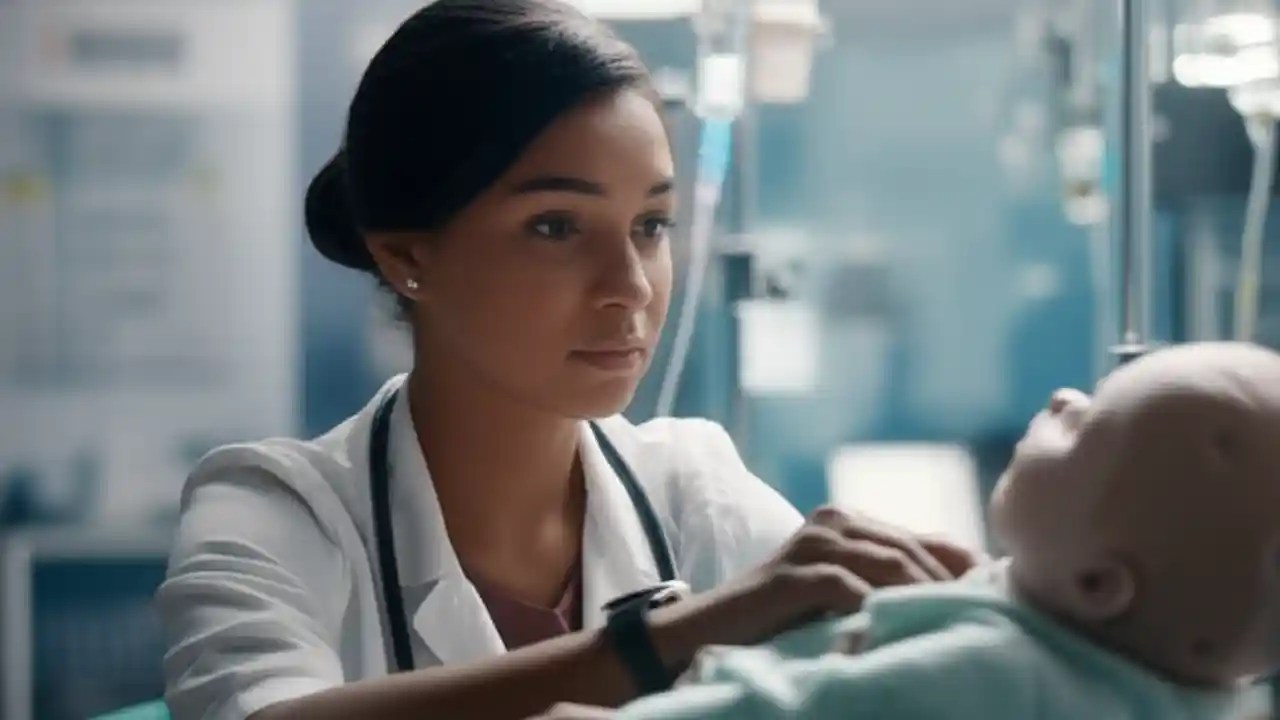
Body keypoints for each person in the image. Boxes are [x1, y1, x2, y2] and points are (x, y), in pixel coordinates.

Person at [154, 2, 978, 719]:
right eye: (555, 227)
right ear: (408, 256)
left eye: (651, 226)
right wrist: (668, 639)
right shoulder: (275, 508)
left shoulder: (694, 493)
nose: (630, 287)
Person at [603, 342, 1280, 720]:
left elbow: (793, 710)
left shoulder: (992, 673)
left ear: (1098, 583)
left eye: (1085, 425)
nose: (1063, 398)